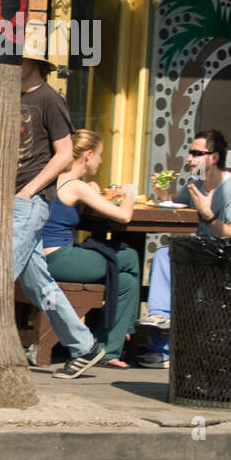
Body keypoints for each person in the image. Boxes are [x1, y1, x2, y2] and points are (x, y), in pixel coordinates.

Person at [15, 56, 106, 378]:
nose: (15, 61)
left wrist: (29, 191)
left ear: (36, 63)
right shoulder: (15, 95)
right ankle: (85, 347)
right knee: (39, 284)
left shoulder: (50, 99)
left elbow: (65, 153)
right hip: (12, 201)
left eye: (22, 57)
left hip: (29, 202)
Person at [136, 130, 231, 369]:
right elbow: (179, 204)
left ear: (214, 157)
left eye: (197, 153)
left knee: (171, 259)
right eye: (189, 152)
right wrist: (162, 194)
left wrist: (208, 216)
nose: (189, 158)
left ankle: (164, 344)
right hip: (205, 255)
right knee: (165, 255)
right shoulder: (197, 182)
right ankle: (160, 324)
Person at [41, 130, 140, 369]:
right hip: (60, 258)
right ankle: (127, 330)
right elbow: (124, 216)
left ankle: (109, 351)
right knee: (129, 256)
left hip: (47, 257)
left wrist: (91, 191)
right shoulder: (76, 185)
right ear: (87, 155)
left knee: (126, 282)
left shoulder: (58, 178)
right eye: (100, 155)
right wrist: (129, 194)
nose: (101, 160)